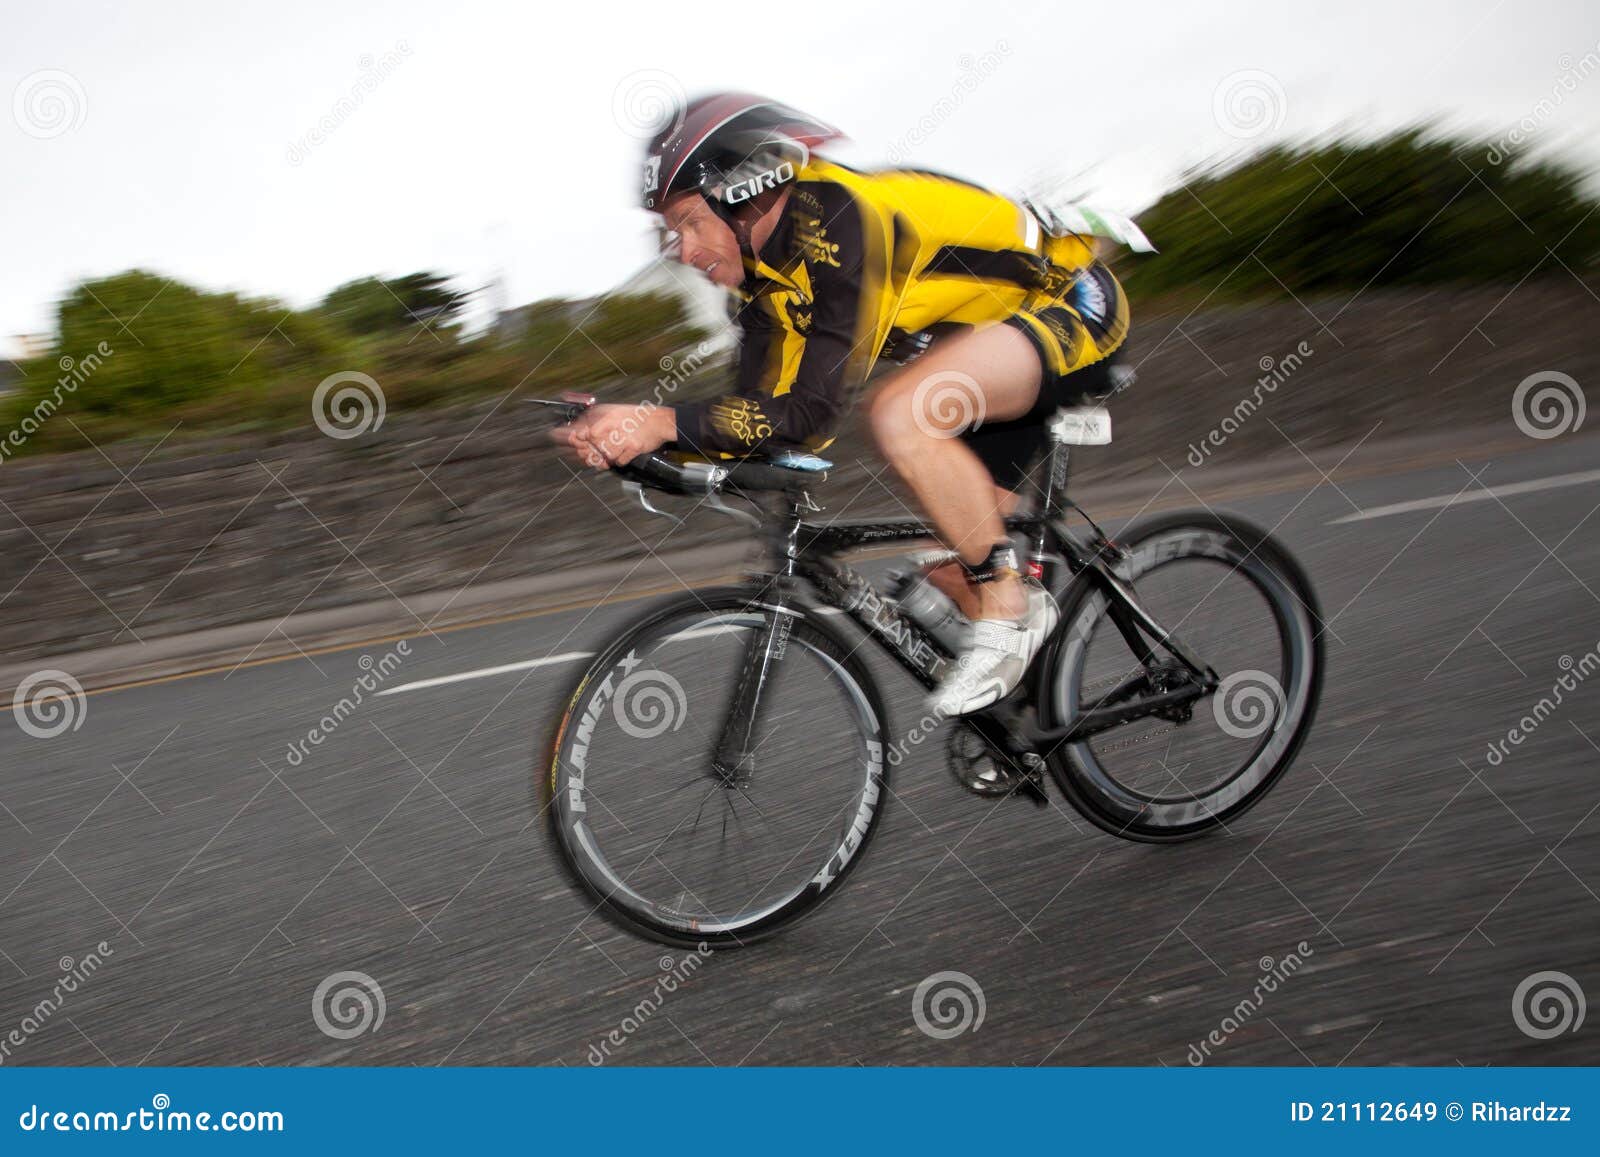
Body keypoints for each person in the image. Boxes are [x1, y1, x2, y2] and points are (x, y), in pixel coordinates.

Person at [552, 92, 1136, 716]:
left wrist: (660, 423)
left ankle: (1008, 608)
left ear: (745, 192)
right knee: (943, 570)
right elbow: (763, 423)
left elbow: (811, 413)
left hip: (1070, 302)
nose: (685, 252)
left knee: (901, 412)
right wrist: (643, 444)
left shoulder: (836, 218)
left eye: (691, 222)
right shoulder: (765, 288)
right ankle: (1040, 717)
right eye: (671, 232)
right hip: (980, 351)